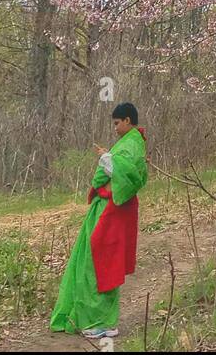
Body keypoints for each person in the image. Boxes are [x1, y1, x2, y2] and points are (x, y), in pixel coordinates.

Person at [50, 102, 147, 339]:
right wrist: (108, 156)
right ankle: (85, 316)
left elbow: (132, 175)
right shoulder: (129, 141)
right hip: (105, 208)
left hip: (113, 211)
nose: (114, 128)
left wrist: (107, 158)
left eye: (116, 123)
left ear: (127, 120)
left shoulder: (133, 142)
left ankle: (101, 321)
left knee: (101, 263)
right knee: (90, 261)